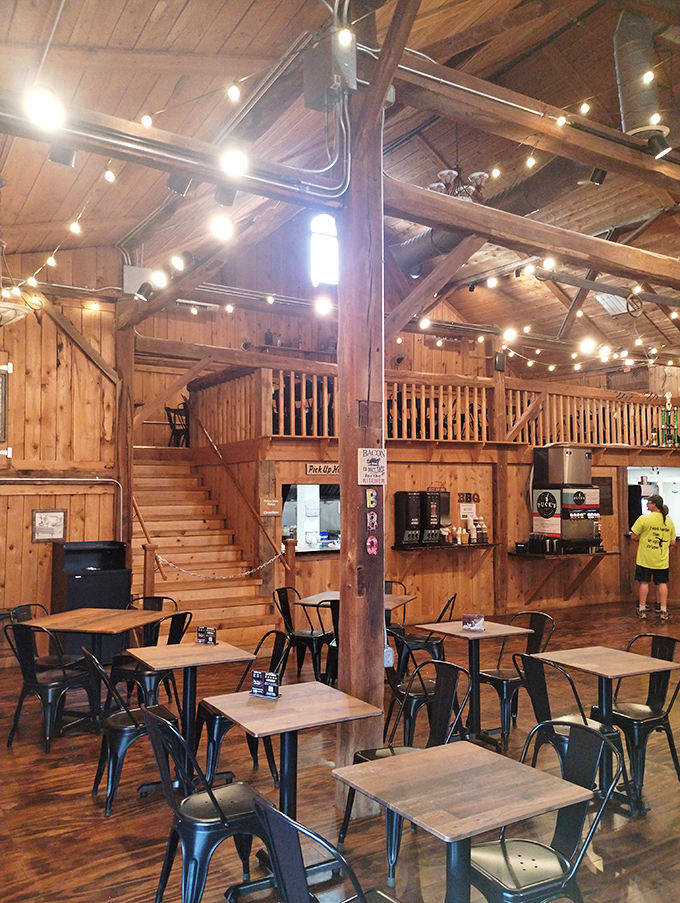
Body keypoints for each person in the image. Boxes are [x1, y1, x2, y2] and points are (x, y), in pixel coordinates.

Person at [631, 493, 676, 620]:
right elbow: (672, 542)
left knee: (644, 582)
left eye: (649, 502)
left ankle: (642, 609)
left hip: (645, 558)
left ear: (654, 505)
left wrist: (644, 539)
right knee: (662, 583)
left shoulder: (644, 519)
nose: (646, 504)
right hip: (661, 559)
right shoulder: (669, 522)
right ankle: (663, 610)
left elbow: (633, 536)